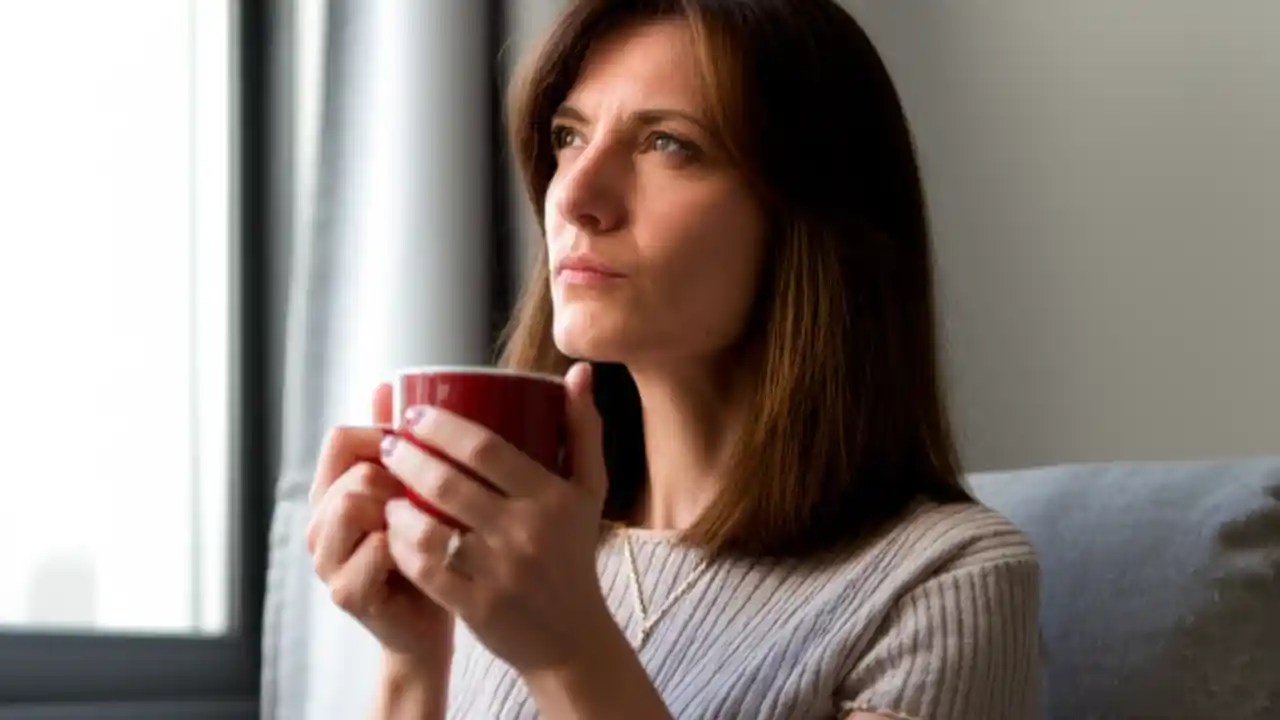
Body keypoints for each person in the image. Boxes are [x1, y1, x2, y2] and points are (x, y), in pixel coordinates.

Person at [306, 0, 1043, 717]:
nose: (575, 196)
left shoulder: (944, 581)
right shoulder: (506, 541)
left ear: (809, 222)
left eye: (667, 144)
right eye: (569, 136)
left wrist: (568, 653)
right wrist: (413, 659)